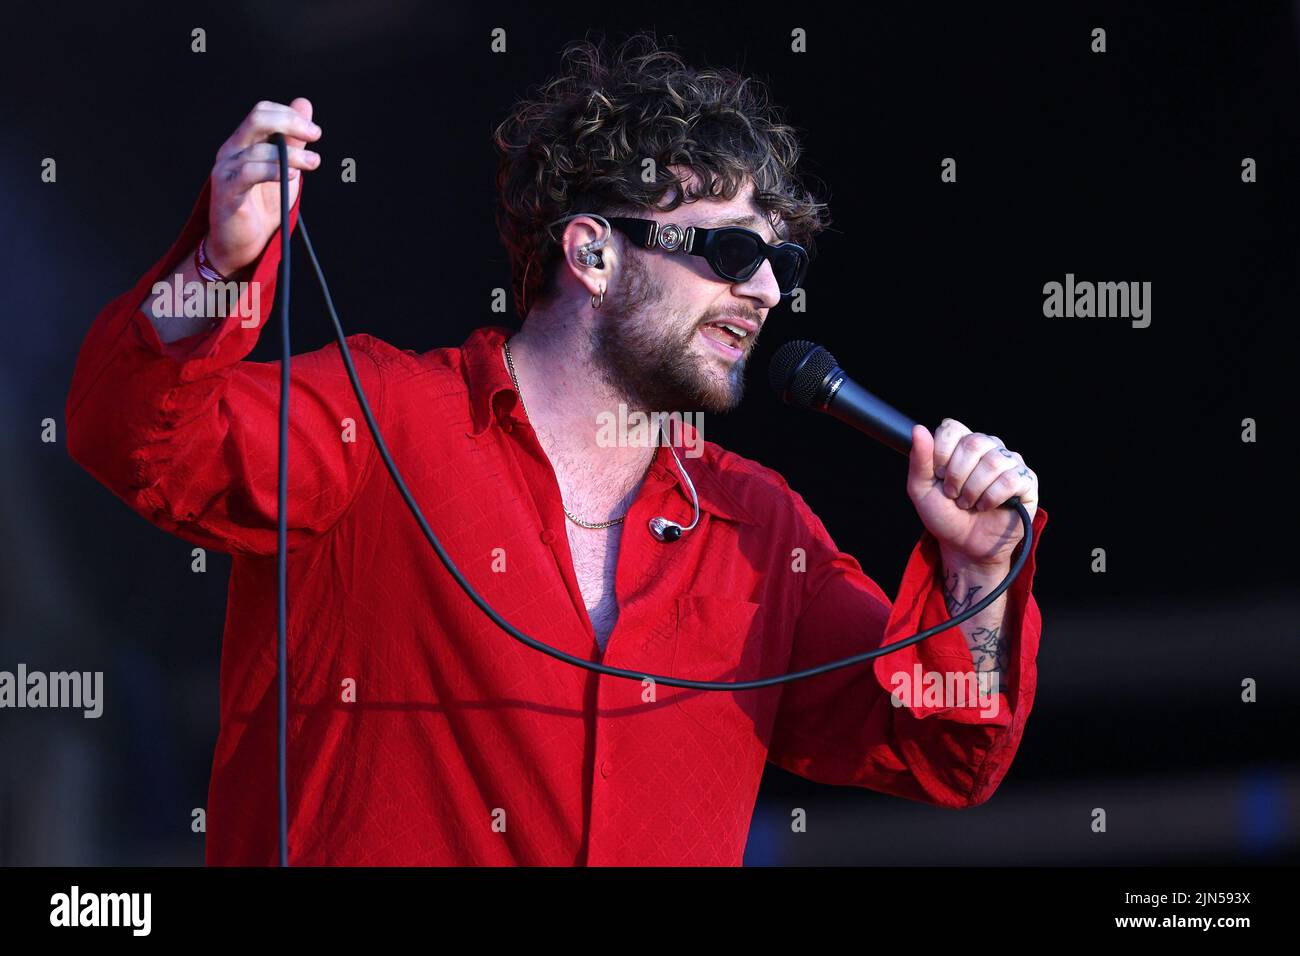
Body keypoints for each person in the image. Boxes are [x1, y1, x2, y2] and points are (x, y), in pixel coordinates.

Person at [65, 35, 1047, 866]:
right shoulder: (375, 421)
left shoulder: (758, 528)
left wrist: (979, 574)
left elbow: (939, 749)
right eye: (729, 251)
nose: (765, 290)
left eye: (780, 261)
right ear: (590, 252)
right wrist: (214, 265)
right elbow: (133, 432)